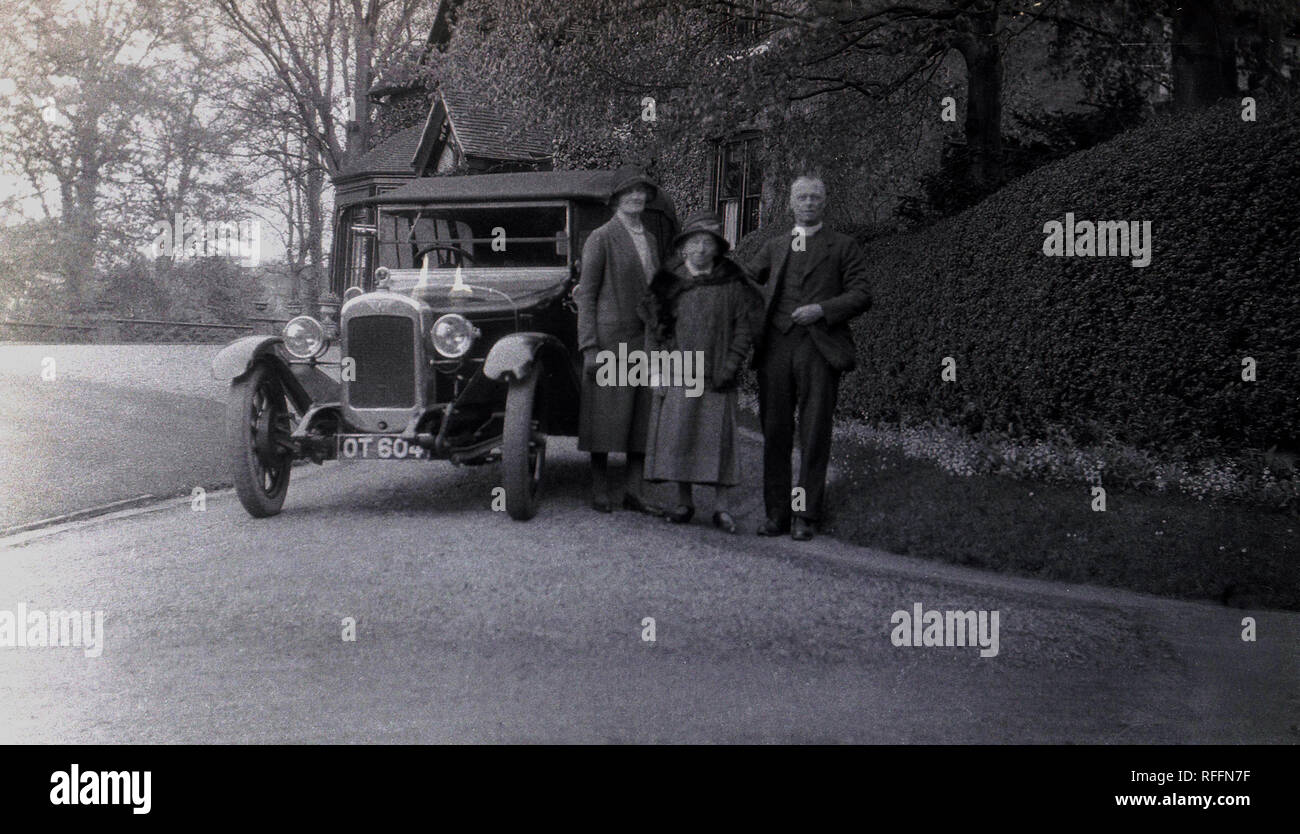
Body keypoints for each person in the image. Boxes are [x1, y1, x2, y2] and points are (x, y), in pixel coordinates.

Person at [745, 175, 871, 541]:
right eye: (802, 197)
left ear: (824, 202)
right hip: (776, 348)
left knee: (814, 433)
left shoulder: (843, 246)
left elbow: (862, 294)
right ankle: (776, 516)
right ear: (791, 203)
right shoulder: (774, 246)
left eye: (816, 197)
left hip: (819, 348)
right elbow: (745, 282)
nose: (809, 202)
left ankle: (805, 515)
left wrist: (822, 308)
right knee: (776, 432)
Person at [639, 210, 761, 533]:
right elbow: (654, 331)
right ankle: (684, 502)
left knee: (717, 440)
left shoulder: (733, 283)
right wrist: (657, 373)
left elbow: (743, 329)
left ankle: (722, 509)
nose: (702, 249)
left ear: (717, 248)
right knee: (681, 435)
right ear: (683, 248)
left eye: (708, 242)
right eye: (695, 242)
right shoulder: (666, 284)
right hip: (678, 372)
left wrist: (731, 365)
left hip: (717, 374)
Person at [575, 166, 665, 515]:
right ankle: (599, 489)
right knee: (604, 416)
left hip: (644, 338)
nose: (636, 197)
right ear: (616, 199)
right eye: (629, 193)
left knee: (641, 415)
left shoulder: (651, 238)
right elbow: (587, 295)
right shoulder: (601, 237)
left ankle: (633, 491)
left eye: (641, 192)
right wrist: (589, 347)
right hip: (610, 340)